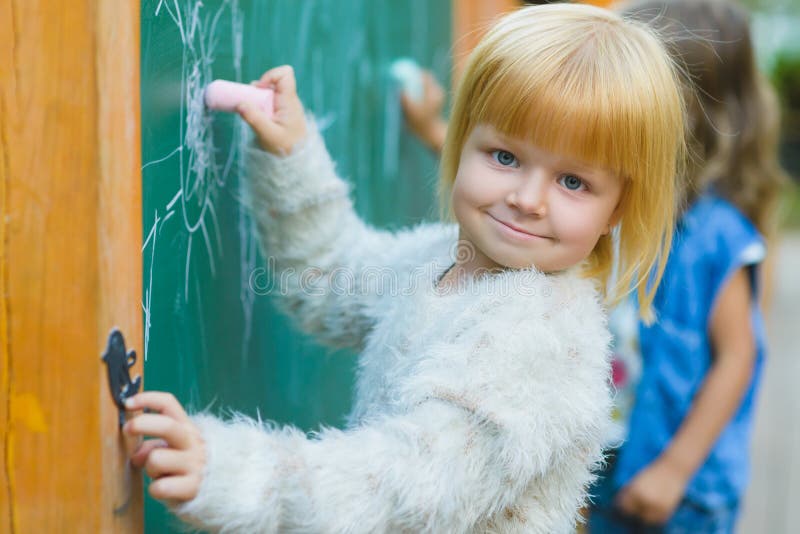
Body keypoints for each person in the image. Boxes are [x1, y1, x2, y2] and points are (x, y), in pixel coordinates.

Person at [123, 4, 686, 532]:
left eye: (573, 182)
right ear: (462, 140)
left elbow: (406, 484)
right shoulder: (446, 258)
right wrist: (291, 155)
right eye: (506, 157)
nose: (528, 199)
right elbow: (329, 280)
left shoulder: (537, 339)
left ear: (620, 208)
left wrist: (233, 474)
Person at [586, 0, 789, 532]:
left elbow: (737, 359)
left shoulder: (716, 235)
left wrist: (673, 471)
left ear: (688, 111)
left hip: (679, 493)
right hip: (613, 466)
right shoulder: (616, 200)